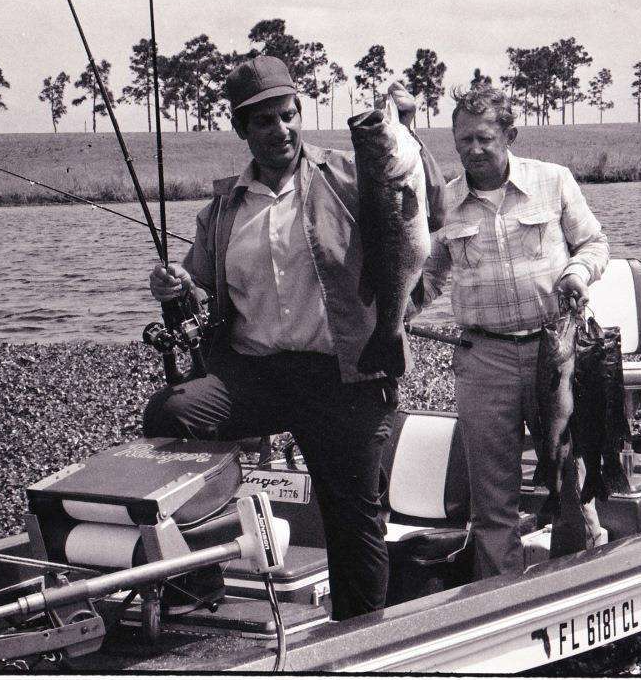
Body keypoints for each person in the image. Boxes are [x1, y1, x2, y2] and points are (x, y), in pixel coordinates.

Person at [142, 55, 444, 620]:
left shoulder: (345, 175)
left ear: (299, 114)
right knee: (172, 412)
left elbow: (425, 207)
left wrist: (413, 135)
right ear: (241, 129)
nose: (280, 130)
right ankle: (199, 569)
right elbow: (197, 289)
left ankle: (359, 635)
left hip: (342, 374)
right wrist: (174, 287)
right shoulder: (224, 208)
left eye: (287, 115)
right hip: (256, 377)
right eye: (263, 121)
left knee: (353, 517)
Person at [411, 85, 609, 581]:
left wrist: (576, 274)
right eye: (462, 141)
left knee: (569, 476)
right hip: (483, 360)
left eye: (483, 138)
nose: (472, 150)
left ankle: (582, 579)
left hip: (555, 353)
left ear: (509, 134)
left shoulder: (553, 180)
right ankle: (501, 599)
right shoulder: (446, 205)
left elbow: (594, 244)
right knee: (492, 497)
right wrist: (386, 314)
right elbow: (426, 279)